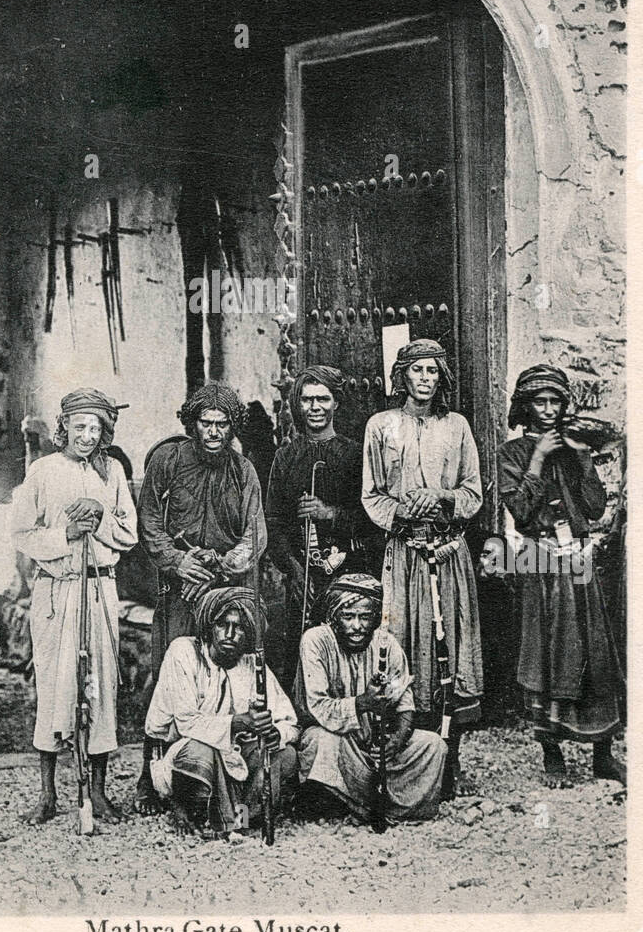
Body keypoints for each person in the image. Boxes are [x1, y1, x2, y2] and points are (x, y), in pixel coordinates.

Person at [135, 380, 267, 813]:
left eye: (222, 424)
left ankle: (220, 774)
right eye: (205, 423)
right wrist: (177, 562)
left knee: (225, 674)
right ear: (192, 424)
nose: (213, 432)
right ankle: (150, 777)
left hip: (224, 592)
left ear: (232, 427)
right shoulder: (167, 460)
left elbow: (254, 533)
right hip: (179, 591)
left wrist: (219, 567)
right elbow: (149, 522)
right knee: (167, 677)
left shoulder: (243, 471)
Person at [10, 388, 138, 824]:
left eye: (95, 428)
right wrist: (64, 534)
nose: (86, 436)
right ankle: (47, 794)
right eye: (79, 426)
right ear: (64, 427)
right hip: (57, 591)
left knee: (100, 687)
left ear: (105, 432)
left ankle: (98, 793)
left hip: (100, 589)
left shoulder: (113, 471)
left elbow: (129, 534)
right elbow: (21, 533)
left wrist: (99, 517)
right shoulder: (43, 471)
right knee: (54, 687)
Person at [362, 339, 483, 796]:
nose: (425, 379)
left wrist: (442, 497)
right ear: (403, 376)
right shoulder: (381, 426)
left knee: (449, 644)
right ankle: (405, 756)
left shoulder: (456, 427)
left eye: (433, 371)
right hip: (404, 553)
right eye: (417, 370)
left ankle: (450, 757)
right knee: (404, 643)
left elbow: (473, 492)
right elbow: (372, 494)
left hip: (448, 553)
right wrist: (402, 510)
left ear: (441, 377)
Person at [498, 364, 625, 786]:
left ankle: (603, 754)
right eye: (541, 401)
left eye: (555, 401)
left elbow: (595, 509)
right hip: (540, 560)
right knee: (546, 654)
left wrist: (583, 458)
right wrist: (537, 458)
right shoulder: (511, 454)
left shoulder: (574, 449)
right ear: (526, 406)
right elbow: (520, 512)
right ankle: (552, 754)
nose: (549, 409)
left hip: (578, 559)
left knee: (595, 652)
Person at [145, 585, 298, 837]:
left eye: (239, 627)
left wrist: (275, 733)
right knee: (201, 752)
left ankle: (240, 816)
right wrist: (239, 723)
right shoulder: (184, 652)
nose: (229, 634)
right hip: (185, 753)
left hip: (236, 754)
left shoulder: (253, 664)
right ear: (209, 627)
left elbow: (290, 723)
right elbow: (187, 723)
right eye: (222, 625)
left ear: (249, 633)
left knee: (285, 755)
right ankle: (183, 808)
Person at [294, 573, 446, 824]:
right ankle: (351, 805)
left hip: (377, 743)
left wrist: (395, 742)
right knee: (320, 741)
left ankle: (383, 809)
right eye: (348, 616)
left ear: (375, 619)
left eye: (365, 617)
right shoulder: (316, 641)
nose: (357, 626)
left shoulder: (388, 644)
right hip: (338, 738)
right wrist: (364, 702)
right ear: (333, 617)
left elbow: (405, 704)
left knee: (433, 745)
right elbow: (318, 706)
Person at [266, 364, 373, 688]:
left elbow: (373, 519)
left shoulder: (355, 455)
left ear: (336, 403)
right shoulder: (286, 457)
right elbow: (273, 521)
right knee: (301, 654)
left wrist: (331, 514)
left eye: (323, 399)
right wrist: (294, 569)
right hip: (302, 579)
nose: (315, 407)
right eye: (307, 399)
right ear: (298, 404)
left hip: (348, 575)